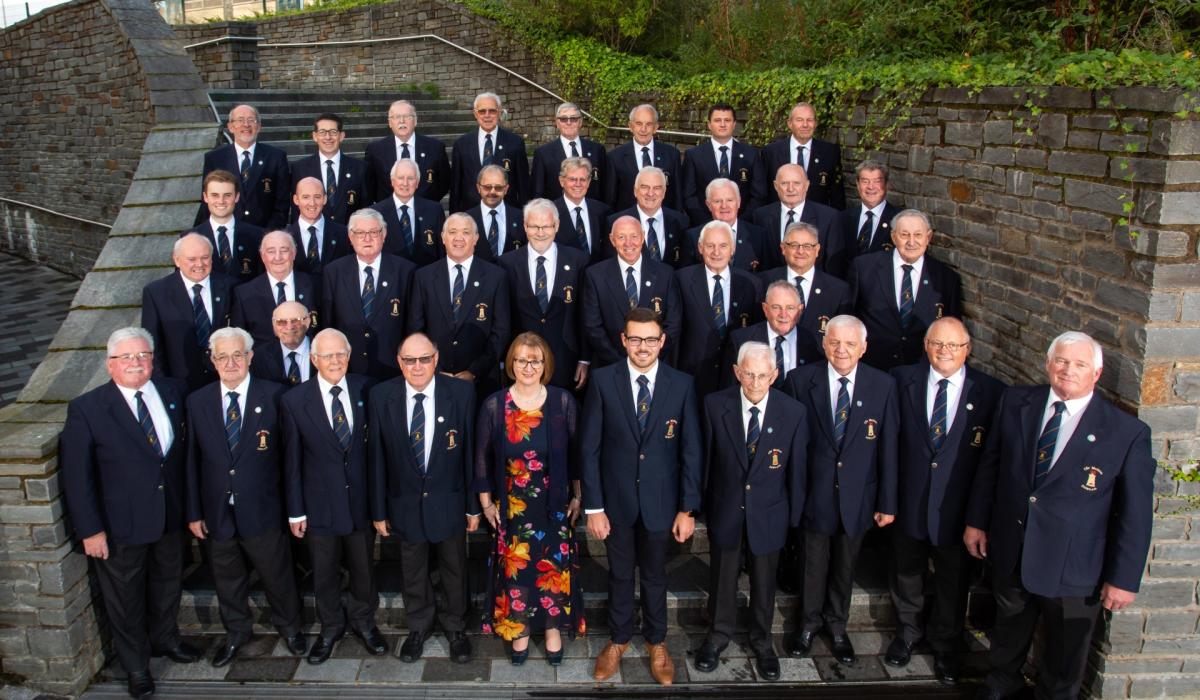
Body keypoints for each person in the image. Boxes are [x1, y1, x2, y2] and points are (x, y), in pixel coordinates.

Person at [965, 332, 1155, 700]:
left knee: (1066, 655)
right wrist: (977, 521)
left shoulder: (1126, 433)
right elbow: (991, 465)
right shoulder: (1017, 401)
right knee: (1008, 632)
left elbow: (1135, 514)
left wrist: (1124, 579)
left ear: (1096, 373)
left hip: (1075, 568)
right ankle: (1001, 684)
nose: (1068, 370)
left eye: (1080, 364)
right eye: (1062, 361)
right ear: (1049, 364)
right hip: (1014, 549)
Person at [61, 328, 199, 699]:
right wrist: (90, 530)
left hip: (169, 516)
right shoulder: (88, 409)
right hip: (120, 527)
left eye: (143, 355)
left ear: (152, 359)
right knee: (125, 600)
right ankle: (136, 666)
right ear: (110, 365)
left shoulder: (173, 392)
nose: (137, 363)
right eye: (127, 358)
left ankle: (166, 640)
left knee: (167, 585)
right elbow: (78, 477)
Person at [580, 307, 702, 686]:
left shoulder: (681, 384)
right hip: (615, 504)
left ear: (662, 341)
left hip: (661, 505)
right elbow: (590, 449)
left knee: (654, 576)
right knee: (618, 575)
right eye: (635, 339)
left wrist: (687, 508)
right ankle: (617, 640)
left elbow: (691, 451)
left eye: (651, 339)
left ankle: (657, 641)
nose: (643, 346)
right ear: (623, 340)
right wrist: (594, 507)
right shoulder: (603, 381)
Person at [885, 317, 1005, 684]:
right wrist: (888, 500)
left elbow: (990, 463)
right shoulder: (901, 380)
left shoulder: (990, 392)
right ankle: (906, 633)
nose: (944, 352)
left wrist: (978, 518)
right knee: (906, 573)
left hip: (957, 509)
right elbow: (888, 446)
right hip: (910, 500)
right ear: (926, 346)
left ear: (967, 350)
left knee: (953, 580)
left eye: (953, 346)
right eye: (937, 344)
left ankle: (945, 644)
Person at [185, 327, 306, 667]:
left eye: (238, 354)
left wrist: (293, 508)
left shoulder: (277, 396)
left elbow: (290, 459)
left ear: (251, 357)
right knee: (227, 579)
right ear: (212, 361)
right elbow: (192, 460)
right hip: (218, 511)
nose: (230, 362)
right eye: (222, 356)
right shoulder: (197, 402)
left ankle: (291, 629)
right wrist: (194, 512)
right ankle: (237, 634)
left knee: (278, 575)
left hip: (264, 509)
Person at [783, 314, 898, 665]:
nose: (841, 350)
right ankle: (807, 624)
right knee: (812, 563)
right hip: (814, 492)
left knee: (845, 565)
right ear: (823, 344)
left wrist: (887, 501)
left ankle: (837, 626)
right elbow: (791, 444)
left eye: (850, 344)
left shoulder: (883, 385)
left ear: (863, 348)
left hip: (858, 495)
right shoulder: (800, 380)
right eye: (835, 342)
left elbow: (888, 447)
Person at [694, 341, 807, 681]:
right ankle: (717, 636)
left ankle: (762, 641)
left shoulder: (793, 412)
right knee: (723, 576)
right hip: (726, 507)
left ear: (774, 375)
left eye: (762, 376)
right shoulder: (716, 405)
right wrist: (698, 507)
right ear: (736, 372)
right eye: (748, 375)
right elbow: (706, 460)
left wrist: (794, 518)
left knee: (764, 580)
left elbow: (797, 471)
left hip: (769, 512)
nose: (755, 383)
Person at [474, 333, 586, 666]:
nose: (528, 366)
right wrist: (486, 504)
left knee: (551, 568)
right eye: (521, 360)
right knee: (517, 572)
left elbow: (576, 457)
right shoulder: (495, 405)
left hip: (553, 506)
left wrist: (579, 496)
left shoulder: (562, 402)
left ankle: (552, 629)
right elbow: (481, 458)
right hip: (513, 507)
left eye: (535, 360)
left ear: (545, 365)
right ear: (511, 363)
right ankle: (519, 629)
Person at [369, 333, 479, 664]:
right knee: (412, 567)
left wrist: (473, 506)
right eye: (409, 360)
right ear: (399, 362)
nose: (417, 367)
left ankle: (456, 628)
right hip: (403, 502)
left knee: (454, 567)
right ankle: (418, 627)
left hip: (449, 499)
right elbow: (376, 457)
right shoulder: (380, 395)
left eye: (424, 359)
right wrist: (378, 509)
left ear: (436, 358)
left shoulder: (461, 393)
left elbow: (471, 453)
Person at [280, 328, 384, 664]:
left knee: (363, 568)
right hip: (319, 505)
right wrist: (296, 510)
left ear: (349, 355)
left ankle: (364, 622)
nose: (335, 361)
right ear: (313, 359)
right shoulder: (295, 401)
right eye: (327, 355)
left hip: (360, 503)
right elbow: (291, 461)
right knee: (323, 571)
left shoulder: (367, 390)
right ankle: (330, 627)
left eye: (340, 354)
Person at [406, 213, 511, 395]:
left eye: (466, 232)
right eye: (452, 232)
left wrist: (474, 371)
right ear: (443, 237)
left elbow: (501, 331)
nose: (459, 238)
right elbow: (416, 327)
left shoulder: (496, 276)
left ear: (476, 238)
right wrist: (433, 368)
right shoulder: (424, 276)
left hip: (482, 380)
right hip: (434, 377)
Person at [847, 208, 962, 370]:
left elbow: (952, 329)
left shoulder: (946, 278)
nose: (911, 242)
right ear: (894, 237)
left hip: (920, 370)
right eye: (905, 235)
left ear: (928, 237)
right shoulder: (864, 268)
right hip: (873, 366)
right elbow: (848, 317)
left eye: (918, 235)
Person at [497, 199, 591, 391]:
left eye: (546, 226)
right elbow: (503, 318)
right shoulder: (505, 264)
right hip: (522, 363)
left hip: (566, 359)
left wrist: (584, 358)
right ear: (525, 226)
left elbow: (584, 314)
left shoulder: (578, 261)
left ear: (556, 226)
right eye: (534, 226)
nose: (540, 233)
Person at [320, 208, 416, 379]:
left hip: (392, 370)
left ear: (384, 234)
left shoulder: (405, 270)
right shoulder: (334, 272)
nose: (367, 238)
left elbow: (412, 323)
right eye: (360, 233)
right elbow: (329, 323)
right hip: (348, 369)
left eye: (373, 232)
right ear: (350, 237)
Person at [674, 221, 763, 396]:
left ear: (732, 249)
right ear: (700, 248)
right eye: (710, 246)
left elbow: (756, 332)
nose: (716, 252)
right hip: (691, 375)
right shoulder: (681, 280)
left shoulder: (752, 284)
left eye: (723, 246)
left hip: (735, 378)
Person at [581, 216, 682, 367]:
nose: (628, 243)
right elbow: (592, 326)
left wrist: (650, 357)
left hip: (655, 364)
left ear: (642, 237)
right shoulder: (595, 275)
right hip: (611, 365)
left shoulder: (665, 274)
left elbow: (673, 323)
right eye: (621, 237)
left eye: (634, 236)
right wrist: (620, 362)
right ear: (612, 239)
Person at [141, 233, 233, 391]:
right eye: (192, 259)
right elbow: (152, 345)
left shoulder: (231, 287)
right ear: (176, 260)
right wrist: (163, 386)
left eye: (205, 257)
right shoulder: (156, 292)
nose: (199, 264)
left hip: (226, 381)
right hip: (180, 385)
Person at [760, 222, 853, 367]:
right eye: (794, 245)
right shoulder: (762, 282)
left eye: (807, 246)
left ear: (817, 250)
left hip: (814, 370)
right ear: (783, 248)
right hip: (767, 368)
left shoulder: (838, 290)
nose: (800, 251)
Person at [199, 104, 290, 229]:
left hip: (264, 236)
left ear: (258, 126)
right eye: (240, 120)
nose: (246, 125)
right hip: (228, 235)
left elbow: (282, 203)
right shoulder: (214, 159)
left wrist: (269, 235)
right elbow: (207, 202)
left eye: (251, 120)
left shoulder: (276, 157)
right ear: (230, 127)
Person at [229, 230, 320, 347]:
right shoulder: (244, 293)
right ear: (263, 256)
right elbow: (239, 340)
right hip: (263, 363)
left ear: (294, 253)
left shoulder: (316, 285)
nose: (278, 257)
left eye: (284, 250)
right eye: (271, 251)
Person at [680, 104, 767, 225]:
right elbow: (689, 196)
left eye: (727, 120)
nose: (722, 124)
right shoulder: (693, 155)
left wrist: (738, 223)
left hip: (743, 226)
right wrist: (710, 224)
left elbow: (759, 195)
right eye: (717, 120)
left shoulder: (751, 154)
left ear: (734, 124)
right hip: (705, 226)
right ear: (709, 124)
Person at [751, 163, 841, 273]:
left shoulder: (829, 217)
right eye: (784, 183)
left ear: (806, 185)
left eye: (796, 183)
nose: (790, 189)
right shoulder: (761, 216)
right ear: (775, 186)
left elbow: (833, 265)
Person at [450, 92, 529, 212]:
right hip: (471, 213)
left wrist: (525, 216)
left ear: (499, 112)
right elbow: (455, 187)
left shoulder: (515, 143)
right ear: (475, 114)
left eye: (492, 111)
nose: (487, 115)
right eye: (482, 111)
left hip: (506, 212)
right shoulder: (461, 144)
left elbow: (523, 185)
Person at [363, 99, 450, 204]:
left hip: (425, 212)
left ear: (415, 121)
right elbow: (369, 186)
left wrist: (427, 204)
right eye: (396, 117)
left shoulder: (435, 148)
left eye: (407, 116)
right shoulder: (375, 150)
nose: (402, 121)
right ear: (390, 123)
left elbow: (444, 183)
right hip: (388, 214)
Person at [762, 102, 845, 210]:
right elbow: (763, 191)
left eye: (809, 120)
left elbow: (837, 195)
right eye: (799, 120)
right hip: (779, 218)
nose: (805, 125)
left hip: (817, 219)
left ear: (815, 123)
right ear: (790, 123)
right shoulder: (771, 152)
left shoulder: (830, 152)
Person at [289, 113, 368, 225]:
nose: (328, 137)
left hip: (349, 237)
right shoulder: (300, 169)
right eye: (322, 132)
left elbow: (365, 208)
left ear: (341, 136)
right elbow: (296, 210)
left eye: (333, 132)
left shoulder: (360, 168)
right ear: (314, 136)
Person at [188, 169, 265, 284]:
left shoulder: (257, 236)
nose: (221, 201)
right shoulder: (190, 238)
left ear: (237, 197)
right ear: (205, 197)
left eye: (227, 195)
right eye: (215, 195)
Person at [723, 280, 803, 390]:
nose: (783, 314)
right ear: (765, 309)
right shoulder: (741, 340)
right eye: (776, 307)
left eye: (790, 308)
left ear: (799, 310)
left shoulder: (812, 342)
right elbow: (729, 389)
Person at [605, 104, 682, 212]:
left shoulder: (672, 155)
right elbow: (610, 198)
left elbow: (677, 196)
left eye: (649, 124)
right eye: (638, 124)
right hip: (628, 222)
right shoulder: (615, 157)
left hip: (663, 222)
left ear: (655, 127)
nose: (643, 129)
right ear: (631, 126)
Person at [608, 166, 690, 267]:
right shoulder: (615, 222)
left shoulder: (681, 221)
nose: (650, 193)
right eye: (644, 187)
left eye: (657, 188)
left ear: (664, 192)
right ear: (635, 191)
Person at [370, 158, 446, 266]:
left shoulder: (434, 211)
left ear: (417, 183)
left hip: (426, 278)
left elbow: (441, 252)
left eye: (410, 178)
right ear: (392, 181)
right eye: (400, 178)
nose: (405, 183)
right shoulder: (375, 213)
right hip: (392, 278)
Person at [682, 177, 768, 272]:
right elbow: (688, 277)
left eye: (730, 200)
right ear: (708, 205)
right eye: (717, 201)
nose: (724, 206)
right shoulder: (693, 237)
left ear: (739, 202)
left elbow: (765, 276)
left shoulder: (759, 235)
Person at [531, 101, 607, 202]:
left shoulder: (597, 150)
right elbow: (538, 192)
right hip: (557, 213)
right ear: (556, 123)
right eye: (563, 119)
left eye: (574, 118)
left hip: (590, 213)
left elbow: (604, 188)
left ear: (580, 122)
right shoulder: (543, 154)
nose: (569, 122)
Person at [838, 160, 902, 270]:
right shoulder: (843, 218)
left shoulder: (900, 219)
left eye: (877, 181)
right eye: (865, 181)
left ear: (887, 184)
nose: (870, 187)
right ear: (858, 185)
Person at [553, 157, 612, 265]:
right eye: (572, 179)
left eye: (583, 179)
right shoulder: (550, 212)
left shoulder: (602, 211)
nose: (578, 184)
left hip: (595, 277)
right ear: (562, 181)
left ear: (589, 182)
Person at [288, 176, 350, 277]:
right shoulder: (285, 236)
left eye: (317, 197)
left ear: (325, 199)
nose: (312, 203)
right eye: (305, 197)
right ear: (296, 199)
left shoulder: (343, 234)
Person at [465, 165, 527, 263]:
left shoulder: (521, 217)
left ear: (506, 189)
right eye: (487, 187)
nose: (492, 191)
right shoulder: (466, 219)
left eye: (498, 187)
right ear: (478, 188)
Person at [250, 300, 312, 386]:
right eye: (281, 322)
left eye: (295, 321)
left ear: (307, 321)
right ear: (273, 324)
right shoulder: (259, 358)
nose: (289, 327)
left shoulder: (325, 351)